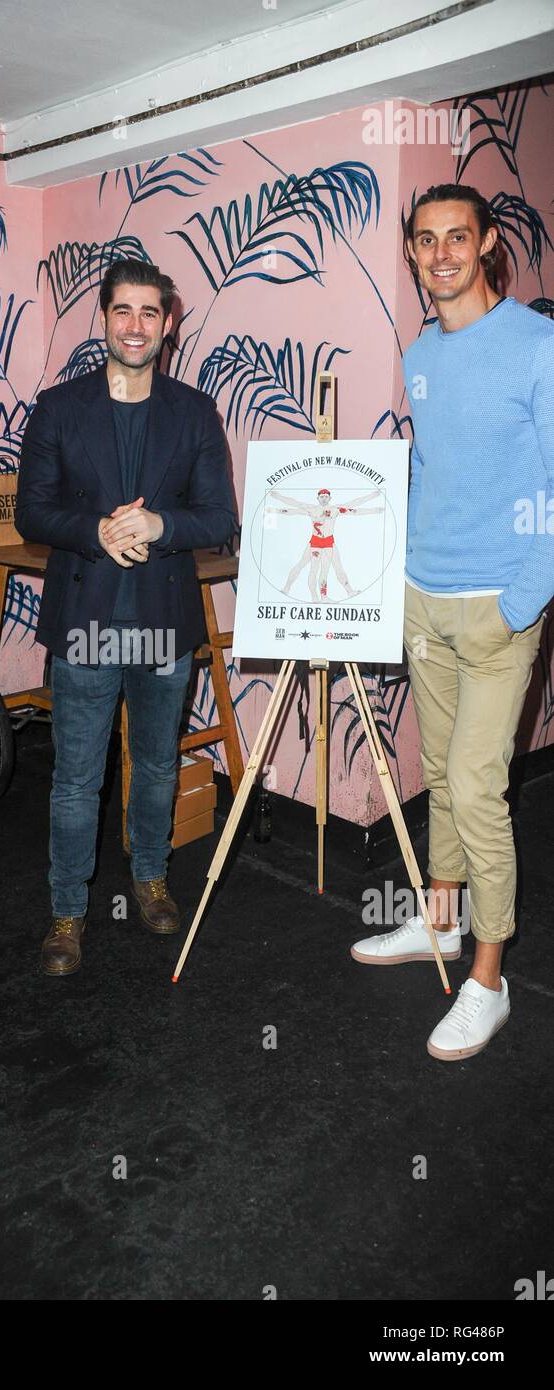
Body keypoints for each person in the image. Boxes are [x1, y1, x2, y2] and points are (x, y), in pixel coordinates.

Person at [351, 183, 554, 1060]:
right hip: (423, 602)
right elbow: (428, 472)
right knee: (435, 772)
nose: (440, 253)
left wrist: (519, 601)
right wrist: (402, 583)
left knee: (476, 790)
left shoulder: (538, 346)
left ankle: (488, 978)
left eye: (456, 237)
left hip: (497, 610)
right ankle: (437, 922)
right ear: (411, 253)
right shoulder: (419, 353)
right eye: (425, 239)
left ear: (486, 244)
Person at [17, 259, 236, 976]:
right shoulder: (57, 407)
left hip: (162, 625)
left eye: (150, 312)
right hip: (85, 620)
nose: (135, 325)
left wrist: (158, 525)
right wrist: (94, 531)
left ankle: (149, 877)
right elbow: (31, 509)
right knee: (77, 779)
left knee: (152, 766)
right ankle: (66, 913)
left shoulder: (194, 412)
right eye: (123, 311)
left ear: (167, 323)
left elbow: (218, 517)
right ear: (103, 318)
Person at [268, 486, 383, 599]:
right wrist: (277, 500)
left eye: (326, 496)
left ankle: (347, 592)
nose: (323, 498)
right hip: (315, 543)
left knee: (335, 568)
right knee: (307, 567)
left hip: (329, 543)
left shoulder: (335, 510)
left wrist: (373, 503)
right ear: (317, 498)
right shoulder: (312, 509)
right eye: (321, 496)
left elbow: (354, 506)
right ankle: (288, 589)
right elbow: (293, 506)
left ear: (329, 498)